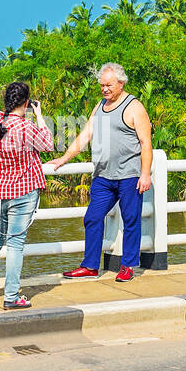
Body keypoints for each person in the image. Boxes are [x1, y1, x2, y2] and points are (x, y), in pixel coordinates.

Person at [48, 62, 152, 282]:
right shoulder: (100, 106)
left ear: (121, 83)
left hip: (129, 175)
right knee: (92, 218)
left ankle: (128, 265)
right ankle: (90, 266)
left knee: (131, 219)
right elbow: (85, 135)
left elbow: (145, 143)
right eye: (102, 85)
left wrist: (145, 174)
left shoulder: (134, 107)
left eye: (109, 85)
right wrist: (64, 158)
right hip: (103, 176)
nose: (104, 89)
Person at [0, 81, 54, 309]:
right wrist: (39, 115)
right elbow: (48, 144)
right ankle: (11, 297)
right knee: (15, 244)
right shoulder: (25, 128)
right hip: (22, 191)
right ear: (27, 102)